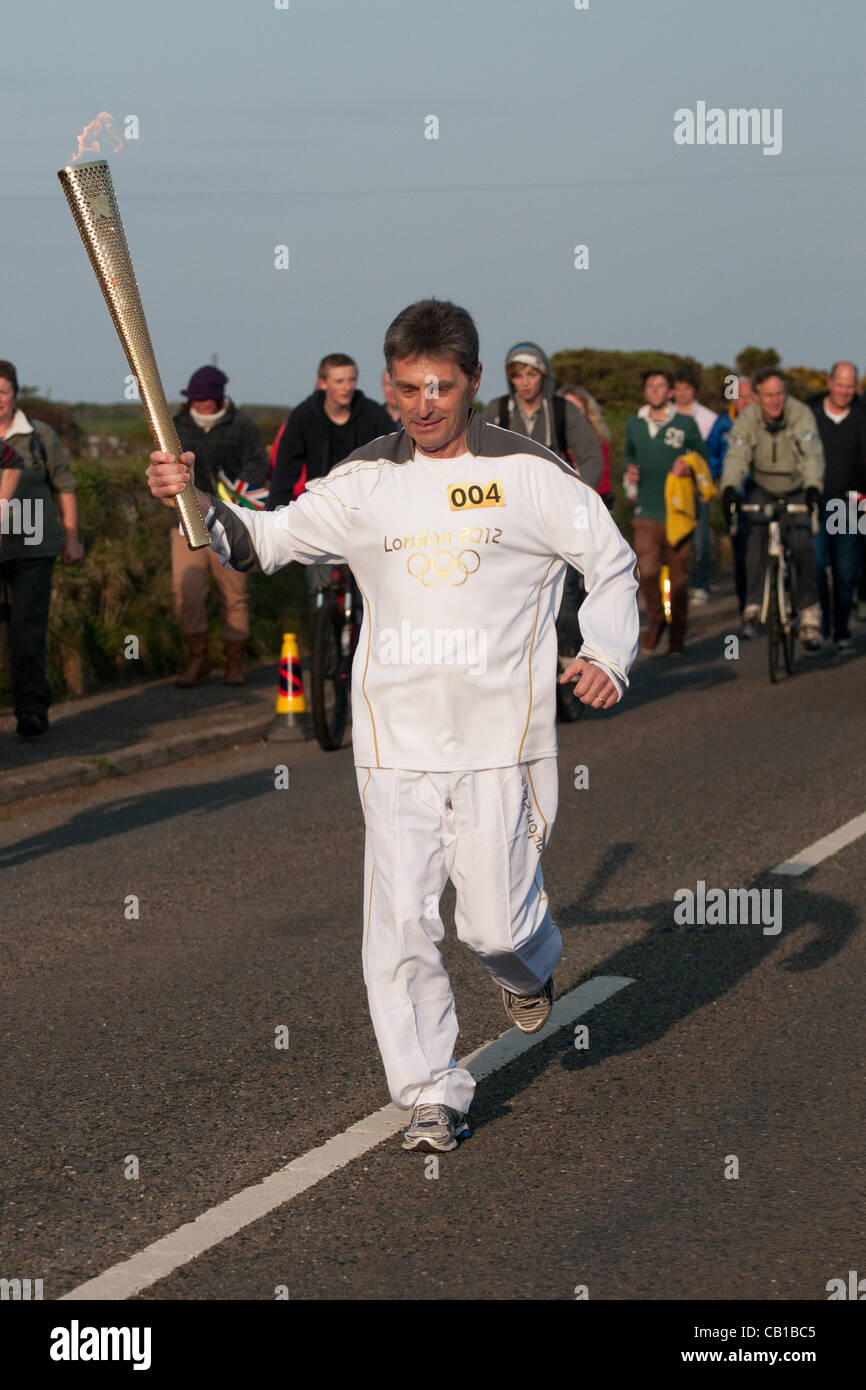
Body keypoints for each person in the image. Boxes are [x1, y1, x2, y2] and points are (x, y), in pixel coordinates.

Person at [147, 299, 639, 1155]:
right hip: (394, 742)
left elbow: (611, 561)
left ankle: (532, 962)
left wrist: (606, 653)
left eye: (442, 388)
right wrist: (193, 499)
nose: (425, 406)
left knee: (496, 927)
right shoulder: (367, 479)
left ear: (474, 383)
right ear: (388, 385)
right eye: (409, 389)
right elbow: (264, 541)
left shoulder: (529, 472)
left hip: (500, 742)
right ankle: (431, 1091)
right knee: (401, 922)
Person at [0, 360, 84, 738]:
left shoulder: (38, 435)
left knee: (27, 631)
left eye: (3, 392)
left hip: (34, 543)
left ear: (15, 394)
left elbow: (64, 484)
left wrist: (70, 537)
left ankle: (32, 710)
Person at [171, 366, 269, 686]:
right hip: (184, 523)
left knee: (235, 594)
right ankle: (197, 662)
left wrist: (234, 496)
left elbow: (257, 466)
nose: (198, 404)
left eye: (204, 398)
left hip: (231, 521)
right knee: (187, 593)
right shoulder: (175, 425)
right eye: (193, 398)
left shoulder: (243, 426)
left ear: (218, 398)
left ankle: (233, 665)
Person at [720, 367, 825, 652]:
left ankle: (809, 609)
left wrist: (814, 487)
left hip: (796, 484)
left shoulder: (800, 414)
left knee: (803, 543)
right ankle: (754, 602)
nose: (774, 401)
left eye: (779, 394)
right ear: (758, 396)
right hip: (762, 486)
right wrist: (729, 488)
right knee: (754, 535)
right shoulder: (747, 419)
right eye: (768, 395)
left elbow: (812, 454)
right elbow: (736, 456)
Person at [624, 368, 709, 655]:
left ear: (670, 391)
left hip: (678, 514)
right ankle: (657, 619)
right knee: (646, 573)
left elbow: (703, 460)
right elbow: (630, 462)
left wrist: (690, 465)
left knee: (679, 579)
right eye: (651, 386)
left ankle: (677, 635)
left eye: (661, 386)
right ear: (645, 391)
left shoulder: (686, 424)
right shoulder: (634, 424)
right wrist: (630, 476)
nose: (656, 391)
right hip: (646, 511)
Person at [267, 354, 396, 511]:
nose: (347, 387)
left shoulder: (375, 415)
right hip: (319, 505)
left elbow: (395, 463)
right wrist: (274, 513)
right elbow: (284, 473)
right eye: (339, 381)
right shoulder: (303, 416)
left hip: (365, 506)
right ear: (323, 383)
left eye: (351, 380)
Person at [481, 342, 603, 488]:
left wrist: (577, 493)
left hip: (555, 496)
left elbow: (591, 459)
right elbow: (478, 458)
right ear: (510, 379)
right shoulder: (497, 410)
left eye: (532, 374)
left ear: (543, 374)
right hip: (510, 498)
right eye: (517, 376)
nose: (525, 382)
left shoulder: (563, 409)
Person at [806, 361, 866, 652]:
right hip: (816, 503)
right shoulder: (811, 415)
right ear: (830, 383)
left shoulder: (860, 417)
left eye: (850, 385)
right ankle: (821, 625)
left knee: (845, 571)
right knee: (816, 567)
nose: (845, 391)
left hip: (849, 505)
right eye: (840, 384)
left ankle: (842, 630)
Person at [672, 368, 718, 604]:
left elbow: (712, 455)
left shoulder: (708, 418)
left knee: (699, 537)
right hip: (672, 486)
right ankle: (674, 585)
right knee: (674, 536)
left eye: (686, 388)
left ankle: (700, 584)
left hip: (697, 486)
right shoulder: (665, 415)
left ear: (694, 390)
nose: (682, 393)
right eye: (678, 388)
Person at [556, 384, 614, 507]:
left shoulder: (598, 440)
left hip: (596, 502)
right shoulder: (554, 442)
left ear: (587, 410)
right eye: (569, 408)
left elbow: (602, 480)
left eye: (577, 409)